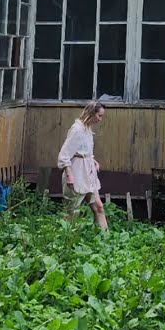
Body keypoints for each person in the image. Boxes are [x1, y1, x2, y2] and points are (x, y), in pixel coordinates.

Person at [56, 99, 108, 231]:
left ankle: (105, 237)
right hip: (77, 172)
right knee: (72, 211)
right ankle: (67, 239)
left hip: (88, 173)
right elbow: (64, 154)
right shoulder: (77, 130)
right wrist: (69, 175)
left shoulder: (87, 129)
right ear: (91, 113)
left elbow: (84, 151)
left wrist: (93, 161)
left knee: (99, 207)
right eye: (99, 115)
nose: (100, 119)